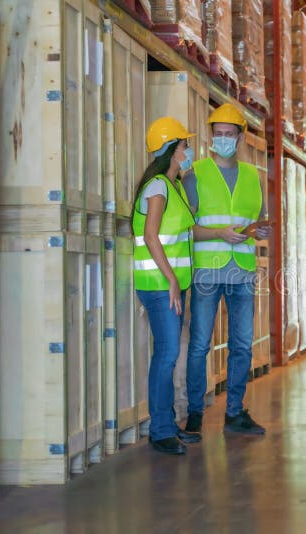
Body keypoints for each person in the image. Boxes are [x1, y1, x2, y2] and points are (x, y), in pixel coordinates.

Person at [133, 117, 223, 455]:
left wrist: (220, 233)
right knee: (168, 354)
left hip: (171, 284)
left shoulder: (172, 186)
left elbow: (185, 233)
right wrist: (171, 280)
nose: (188, 150)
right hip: (159, 285)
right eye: (184, 145)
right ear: (171, 149)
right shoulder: (157, 186)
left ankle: (168, 425)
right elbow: (150, 235)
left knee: (169, 354)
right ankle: (160, 431)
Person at [182, 103, 271, 437]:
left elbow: (257, 221)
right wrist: (219, 233)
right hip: (206, 270)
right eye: (217, 134)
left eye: (228, 134)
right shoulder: (196, 174)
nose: (222, 139)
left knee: (243, 345)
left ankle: (234, 413)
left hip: (242, 270)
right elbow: (186, 227)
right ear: (211, 136)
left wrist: (260, 232)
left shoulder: (252, 177)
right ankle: (194, 414)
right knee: (200, 345)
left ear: (240, 138)